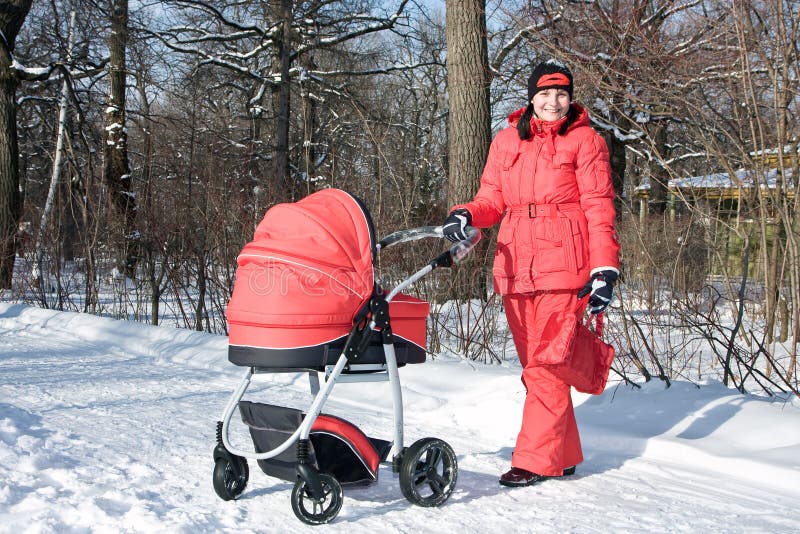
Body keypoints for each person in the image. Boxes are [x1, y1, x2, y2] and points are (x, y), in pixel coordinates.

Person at [442, 59, 620, 487]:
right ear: (531, 97)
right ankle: (563, 453)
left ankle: (536, 460)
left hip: (566, 265)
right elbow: (491, 198)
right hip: (515, 263)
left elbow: (599, 207)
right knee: (537, 366)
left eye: (561, 93)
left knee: (547, 365)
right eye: (544, 93)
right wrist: (466, 214)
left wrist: (605, 267)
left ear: (570, 98)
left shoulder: (586, 141)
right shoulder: (506, 142)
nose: (553, 102)